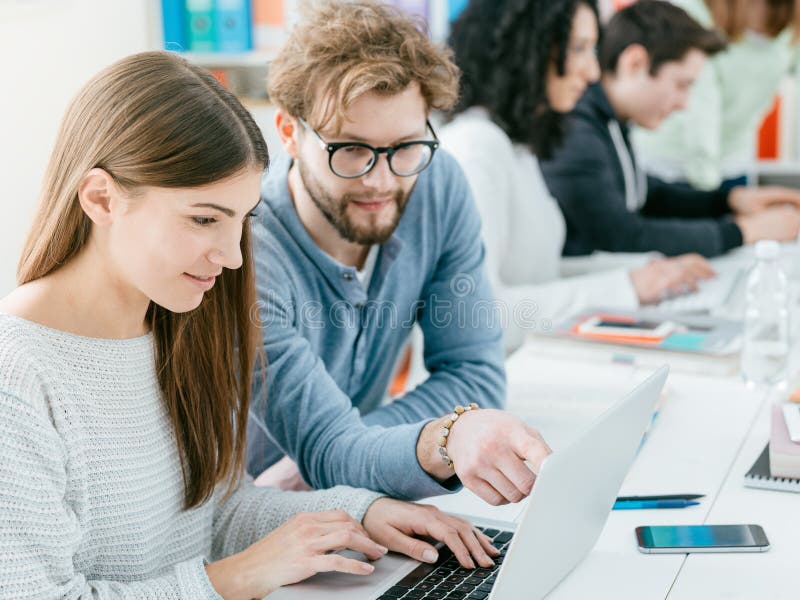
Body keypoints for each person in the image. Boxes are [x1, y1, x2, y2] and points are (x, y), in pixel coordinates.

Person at [0, 51, 501, 599]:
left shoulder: (176, 322)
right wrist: (233, 579)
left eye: (242, 220)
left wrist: (362, 512)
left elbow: (216, 514)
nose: (234, 258)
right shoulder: (19, 376)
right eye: (205, 219)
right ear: (101, 199)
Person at [247, 0, 552, 507]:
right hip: (251, 517)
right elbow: (329, 451)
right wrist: (442, 437)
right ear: (289, 134)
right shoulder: (250, 249)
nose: (381, 181)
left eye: (405, 146)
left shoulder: (436, 184)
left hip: (355, 500)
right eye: (350, 149)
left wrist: (352, 452)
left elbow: (475, 374)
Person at [441, 0, 716, 353]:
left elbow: (538, 275)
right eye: (580, 49)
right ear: (530, 47)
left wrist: (643, 272)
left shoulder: (516, 147)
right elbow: (476, 317)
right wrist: (626, 287)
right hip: (479, 397)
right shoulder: (477, 147)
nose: (592, 71)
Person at [540, 0, 800, 258]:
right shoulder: (576, 131)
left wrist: (730, 200)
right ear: (635, 63)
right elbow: (624, 235)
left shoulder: (610, 122)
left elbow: (647, 193)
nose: (684, 104)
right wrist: (743, 231)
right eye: (681, 85)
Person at [635, 0, 800, 191]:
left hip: (734, 160)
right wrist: (709, 189)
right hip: (673, 165)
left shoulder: (790, 16)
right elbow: (700, 102)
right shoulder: (693, 9)